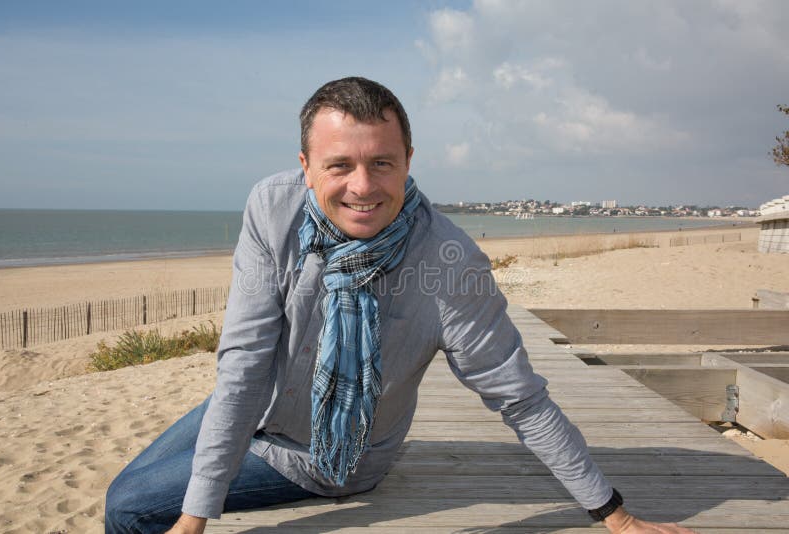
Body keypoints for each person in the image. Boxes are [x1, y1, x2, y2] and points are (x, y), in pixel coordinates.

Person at [105, 77, 695, 534]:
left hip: (324, 454)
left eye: (381, 162)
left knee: (129, 507)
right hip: (258, 400)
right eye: (339, 165)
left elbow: (519, 396)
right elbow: (245, 360)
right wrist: (196, 515)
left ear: (408, 159)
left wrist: (613, 515)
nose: (363, 186)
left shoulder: (449, 262)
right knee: (125, 493)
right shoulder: (272, 208)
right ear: (305, 167)